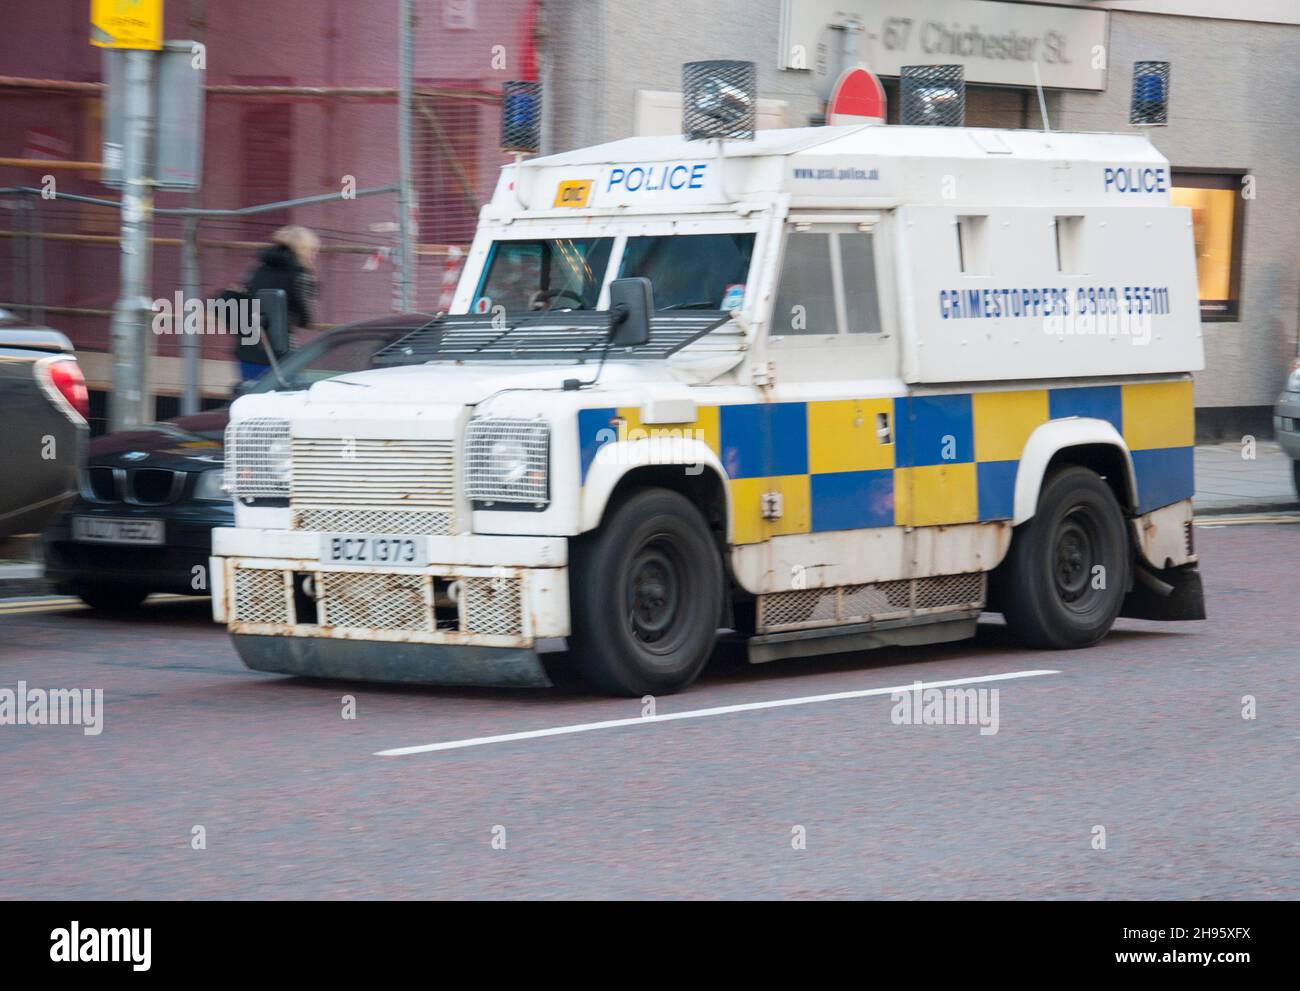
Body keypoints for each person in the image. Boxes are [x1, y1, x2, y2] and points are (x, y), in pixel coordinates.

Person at [231, 225, 320, 383]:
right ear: (302, 249)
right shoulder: (300, 276)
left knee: (252, 399)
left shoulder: (256, 270)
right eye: (312, 250)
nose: (314, 256)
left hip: (246, 352)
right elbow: (308, 320)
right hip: (278, 356)